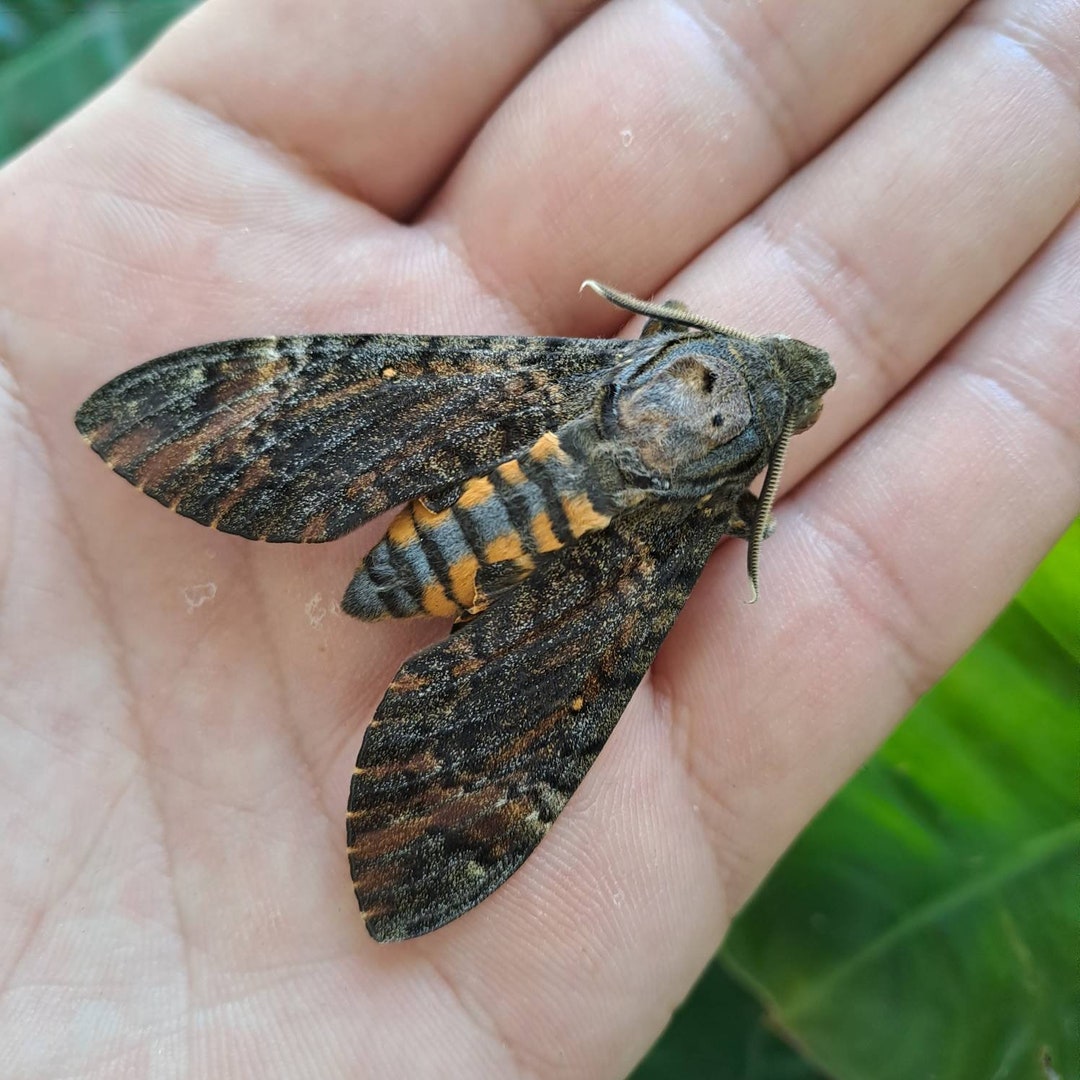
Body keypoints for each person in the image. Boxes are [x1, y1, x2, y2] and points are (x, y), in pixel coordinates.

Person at [0, 0, 1076, 1074]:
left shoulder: (593, 370)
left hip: (483, 467)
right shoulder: (698, 517)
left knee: (321, 401)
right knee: (562, 686)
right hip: (523, 559)